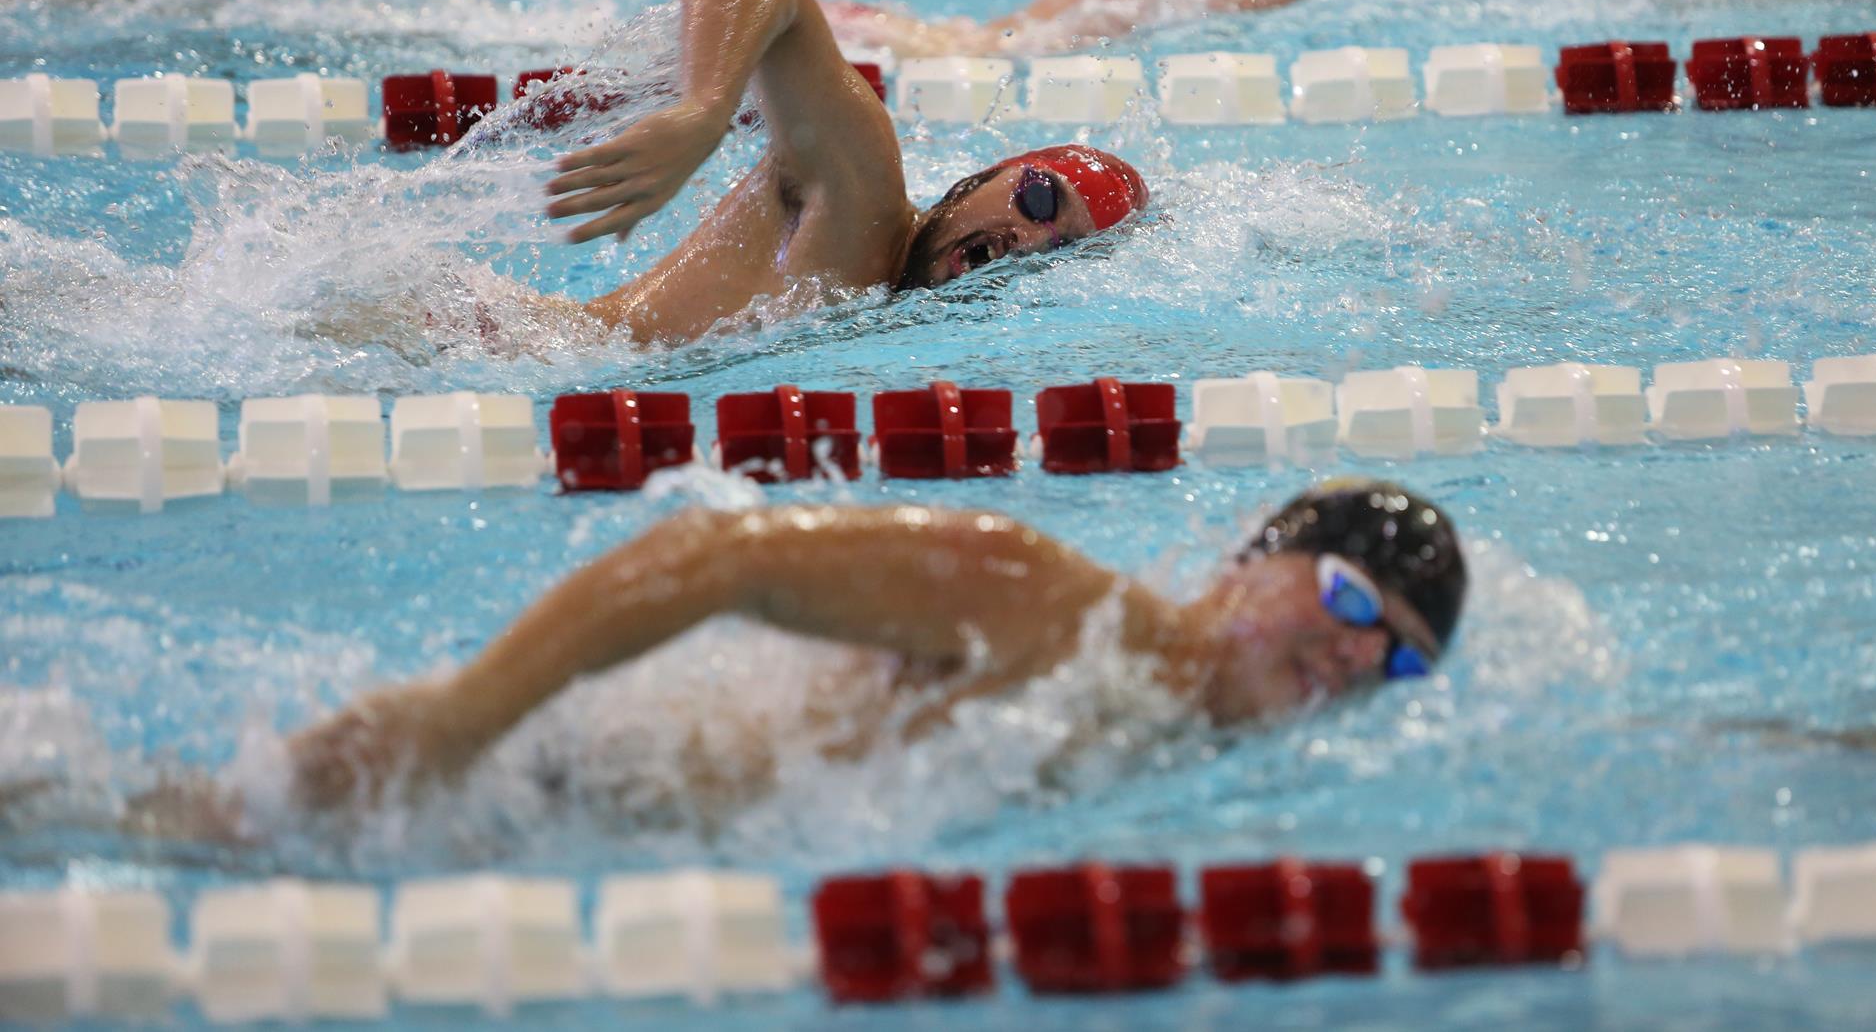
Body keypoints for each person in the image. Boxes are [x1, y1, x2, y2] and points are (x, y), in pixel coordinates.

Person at [284, 479, 1468, 824]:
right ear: (1246, 558)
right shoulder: (1055, 606)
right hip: (520, 792)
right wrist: (458, 722)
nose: (1360, 660)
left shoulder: (1176, 739)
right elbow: (714, 554)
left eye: (1400, 661)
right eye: (1354, 604)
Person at [536, 0, 1152, 347]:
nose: (1030, 239)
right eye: (1040, 198)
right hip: (504, 341)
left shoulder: (886, 305)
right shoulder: (864, 196)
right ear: (978, 178)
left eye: (1063, 248)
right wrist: (705, 109)